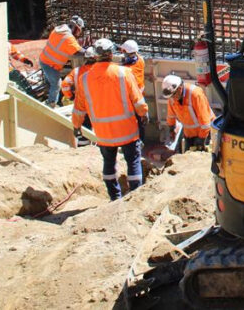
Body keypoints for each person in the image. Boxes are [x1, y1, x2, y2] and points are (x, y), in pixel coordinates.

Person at [71, 38, 148, 201]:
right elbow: (138, 101)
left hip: (104, 133)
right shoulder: (123, 73)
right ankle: (136, 198)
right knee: (133, 162)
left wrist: (76, 126)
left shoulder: (84, 79)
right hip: (127, 130)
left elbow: (79, 108)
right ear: (111, 54)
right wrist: (143, 114)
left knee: (109, 163)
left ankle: (115, 198)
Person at [160, 75, 215, 153]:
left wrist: (201, 139)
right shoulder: (172, 97)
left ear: (179, 88)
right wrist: (171, 128)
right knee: (188, 159)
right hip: (189, 133)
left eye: (173, 96)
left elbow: (205, 122)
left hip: (206, 133)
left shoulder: (195, 94)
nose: (172, 98)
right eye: (170, 97)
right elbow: (171, 115)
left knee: (203, 161)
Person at [39, 15, 85, 107]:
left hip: (44, 60)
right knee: (56, 84)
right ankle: (51, 105)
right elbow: (78, 52)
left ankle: (49, 100)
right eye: (79, 30)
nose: (78, 33)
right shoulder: (68, 37)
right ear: (76, 27)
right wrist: (89, 52)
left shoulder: (59, 29)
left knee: (50, 84)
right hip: (50, 65)